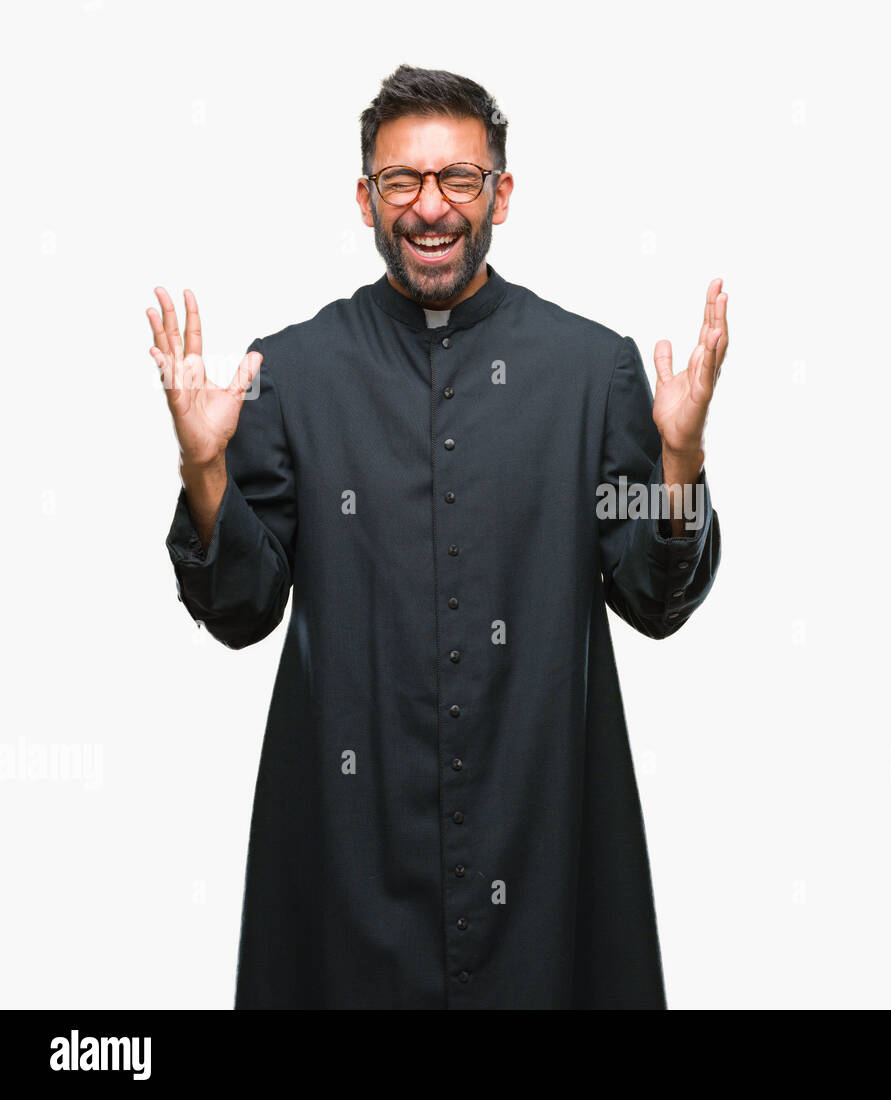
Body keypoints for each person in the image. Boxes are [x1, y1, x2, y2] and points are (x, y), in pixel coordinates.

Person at [147, 65, 726, 1009]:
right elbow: (240, 611)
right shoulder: (289, 372)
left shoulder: (595, 371)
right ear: (364, 199)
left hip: (542, 857)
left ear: (502, 191)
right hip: (349, 864)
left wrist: (680, 459)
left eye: (458, 177)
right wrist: (204, 467)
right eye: (401, 180)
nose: (430, 206)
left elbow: (654, 600)